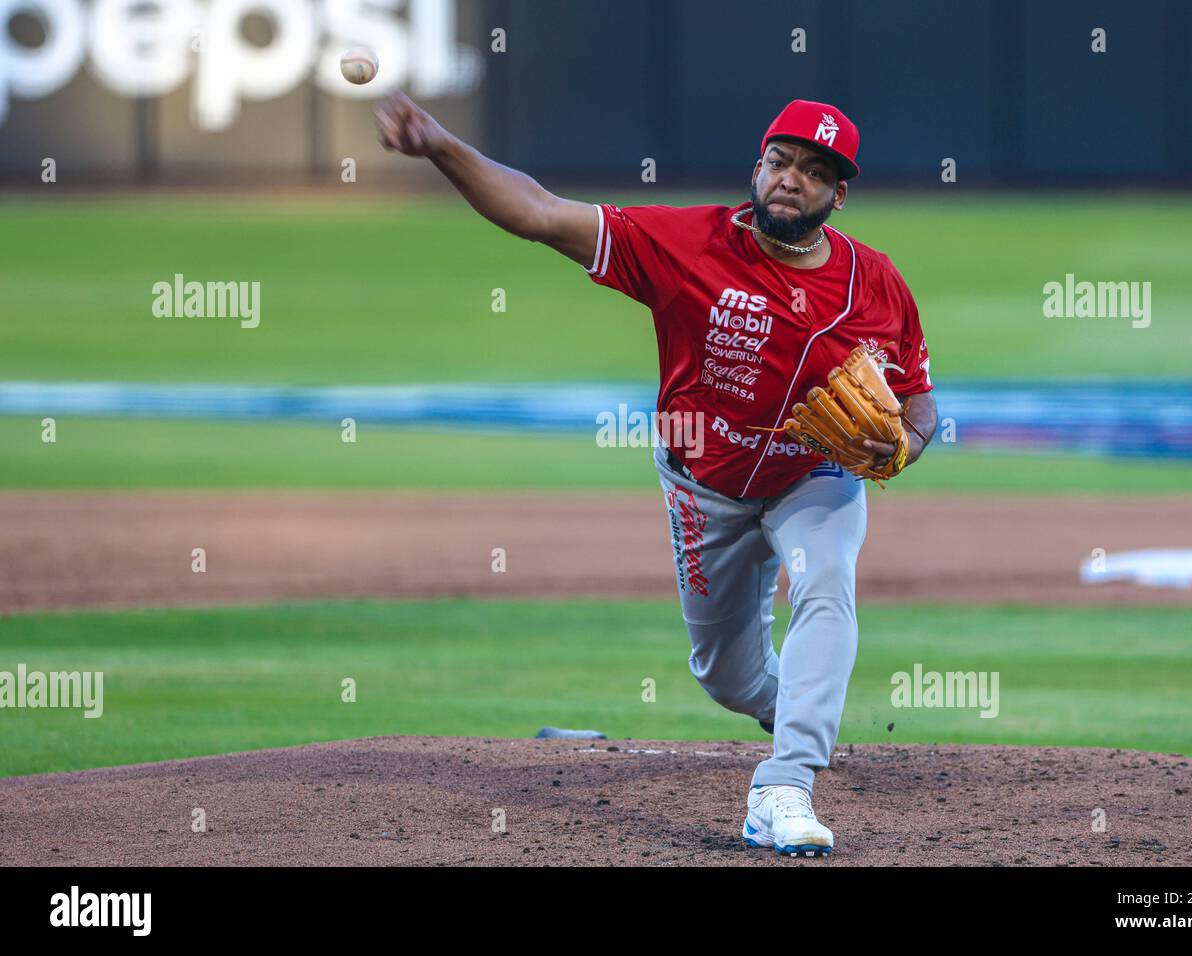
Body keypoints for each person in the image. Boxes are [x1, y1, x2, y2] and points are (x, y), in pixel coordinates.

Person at [376, 94, 937, 858]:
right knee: (729, 678)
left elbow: (918, 401)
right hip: (703, 481)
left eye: (815, 171)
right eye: (781, 160)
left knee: (826, 581)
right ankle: (799, 712)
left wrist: (905, 445)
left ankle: (784, 785)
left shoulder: (876, 283)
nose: (790, 179)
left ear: (838, 195)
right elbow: (539, 212)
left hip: (814, 477)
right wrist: (440, 145)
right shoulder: (685, 244)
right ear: (758, 166)